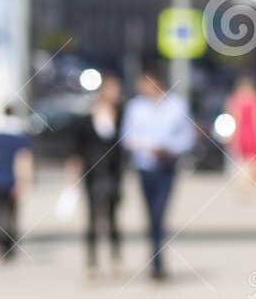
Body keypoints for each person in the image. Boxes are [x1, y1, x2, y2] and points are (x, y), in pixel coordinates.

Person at [121, 59, 196, 283]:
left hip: (167, 167)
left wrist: (170, 150)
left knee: (159, 214)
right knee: (150, 215)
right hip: (145, 167)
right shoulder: (135, 107)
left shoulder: (178, 106)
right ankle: (155, 258)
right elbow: (127, 137)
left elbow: (187, 137)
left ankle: (157, 259)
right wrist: (146, 147)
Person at [64, 74, 126, 281]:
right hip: (92, 173)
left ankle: (115, 259)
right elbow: (76, 150)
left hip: (113, 173)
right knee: (92, 219)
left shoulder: (122, 116)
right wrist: (73, 176)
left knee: (112, 218)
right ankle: (91, 263)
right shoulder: (86, 120)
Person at [0, 104, 33, 261]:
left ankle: (0, 244)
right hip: (14, 181)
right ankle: (10, 247)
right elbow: (24, 160)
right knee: (12, 215)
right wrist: (24, 182)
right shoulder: (20, 136)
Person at [225, 73, 256, 189]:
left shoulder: (234, 99)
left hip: (241, 134)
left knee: (242, 160)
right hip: (253, 134)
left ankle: (243, 183)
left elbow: (234, 118)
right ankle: (249, 182)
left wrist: (232, 136)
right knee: (254, 160)